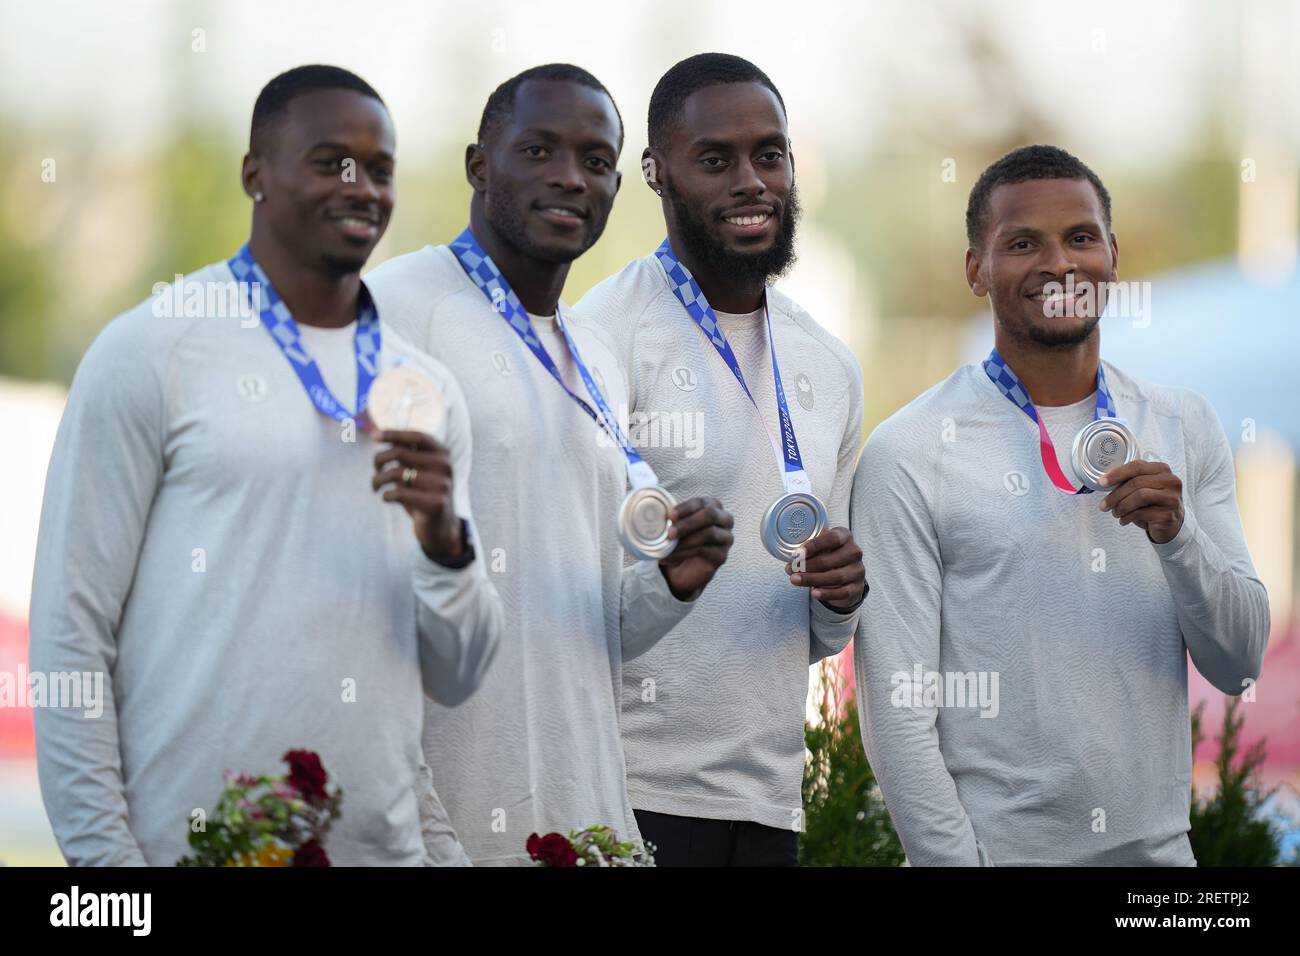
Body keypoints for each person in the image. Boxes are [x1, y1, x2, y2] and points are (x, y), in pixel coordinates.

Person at [30, 65, 502, 866]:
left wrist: (443, 540)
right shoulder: (152, 349)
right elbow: (70, 633)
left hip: (380, 850)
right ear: (255, 174)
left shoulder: (426, 390)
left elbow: (457, 677)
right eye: (330, 162)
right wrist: (105, 864)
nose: (362, 188)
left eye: (381, 170)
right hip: (192, 848)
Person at [852, 144, 1270, 865]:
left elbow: (1239, 663)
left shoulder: (1182, 423)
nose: (1058, 263)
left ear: (1112, 253)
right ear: (976, 270)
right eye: (1022, 244)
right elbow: (898, 710)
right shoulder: (910, 451)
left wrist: (1179, 538)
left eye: (1080, 237)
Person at [365, 64, 735, 865]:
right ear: (478, 166)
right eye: (539, 151)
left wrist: (672, 581)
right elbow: (361, 600)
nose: (571, 177)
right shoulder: (397, 310)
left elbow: (586, 621)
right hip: (450, 814)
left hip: (584, 811)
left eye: (597, 161)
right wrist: (419, 832)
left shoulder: (594, 348)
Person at [578, 53, 866, 866]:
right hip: (628, 794)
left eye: (769, 155)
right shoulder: (600, 338)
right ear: (656, 173)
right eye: (716, 160)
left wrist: (842, 597)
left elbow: (816, 633)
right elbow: (565, 597)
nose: (751, 181)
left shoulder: (829, 365)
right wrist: (668, 572)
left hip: (772, 800)